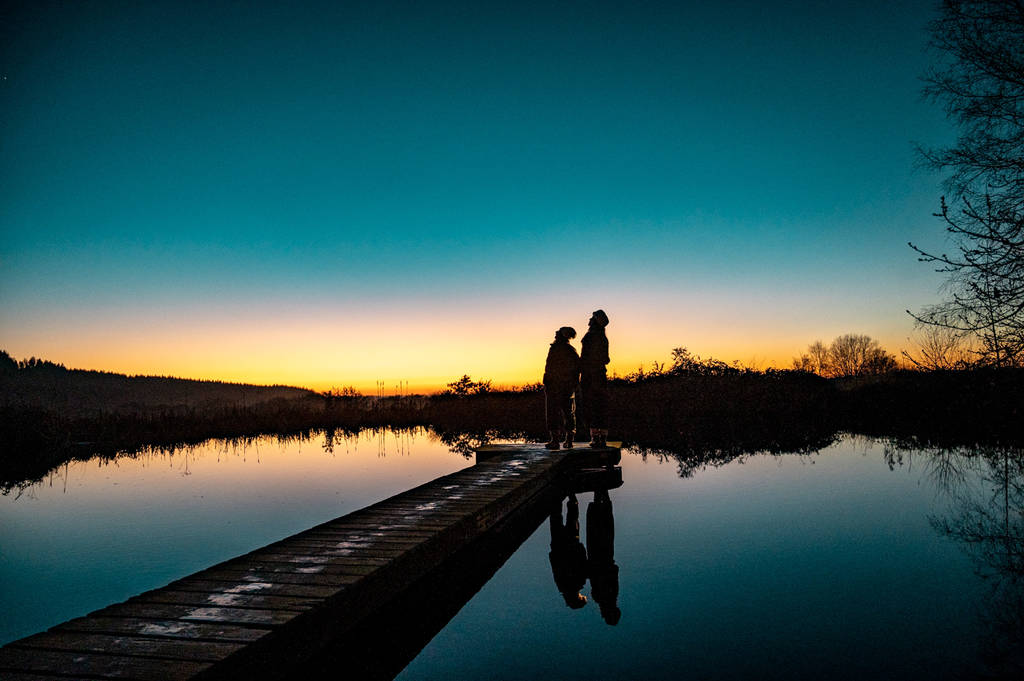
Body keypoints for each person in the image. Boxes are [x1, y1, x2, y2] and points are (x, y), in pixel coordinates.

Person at [548, 494, 588, 609]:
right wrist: (552, 554)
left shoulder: (580, 582)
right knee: (557, 517)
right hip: (558, 547)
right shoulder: (562, 586)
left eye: (581, 597)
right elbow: (555, 568)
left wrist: (580, 547)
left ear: (578, 597)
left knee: (572, 516)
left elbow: (582, 562)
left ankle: (570, 494)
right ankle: (558, 495)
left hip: (571, 545)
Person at [543, 326, 579, 450]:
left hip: (559, 386)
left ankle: (560, 440)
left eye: (558, 332)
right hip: (561, 386)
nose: (555, 333)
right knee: (567, 413)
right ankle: (564, 440)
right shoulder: (570, 350)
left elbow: (574, 370)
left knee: (558, 413)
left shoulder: (560, 350)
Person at [579, 309, 610, 447]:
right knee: (600, 405)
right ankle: (601, 437)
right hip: (598, 375)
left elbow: (586, 357)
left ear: (595, 321)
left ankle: (595, 437)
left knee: (591, 405)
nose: (589, 319)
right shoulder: (602, 337)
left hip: (591, 376)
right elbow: (606, 359)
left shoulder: (592, 336)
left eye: (592, 317)